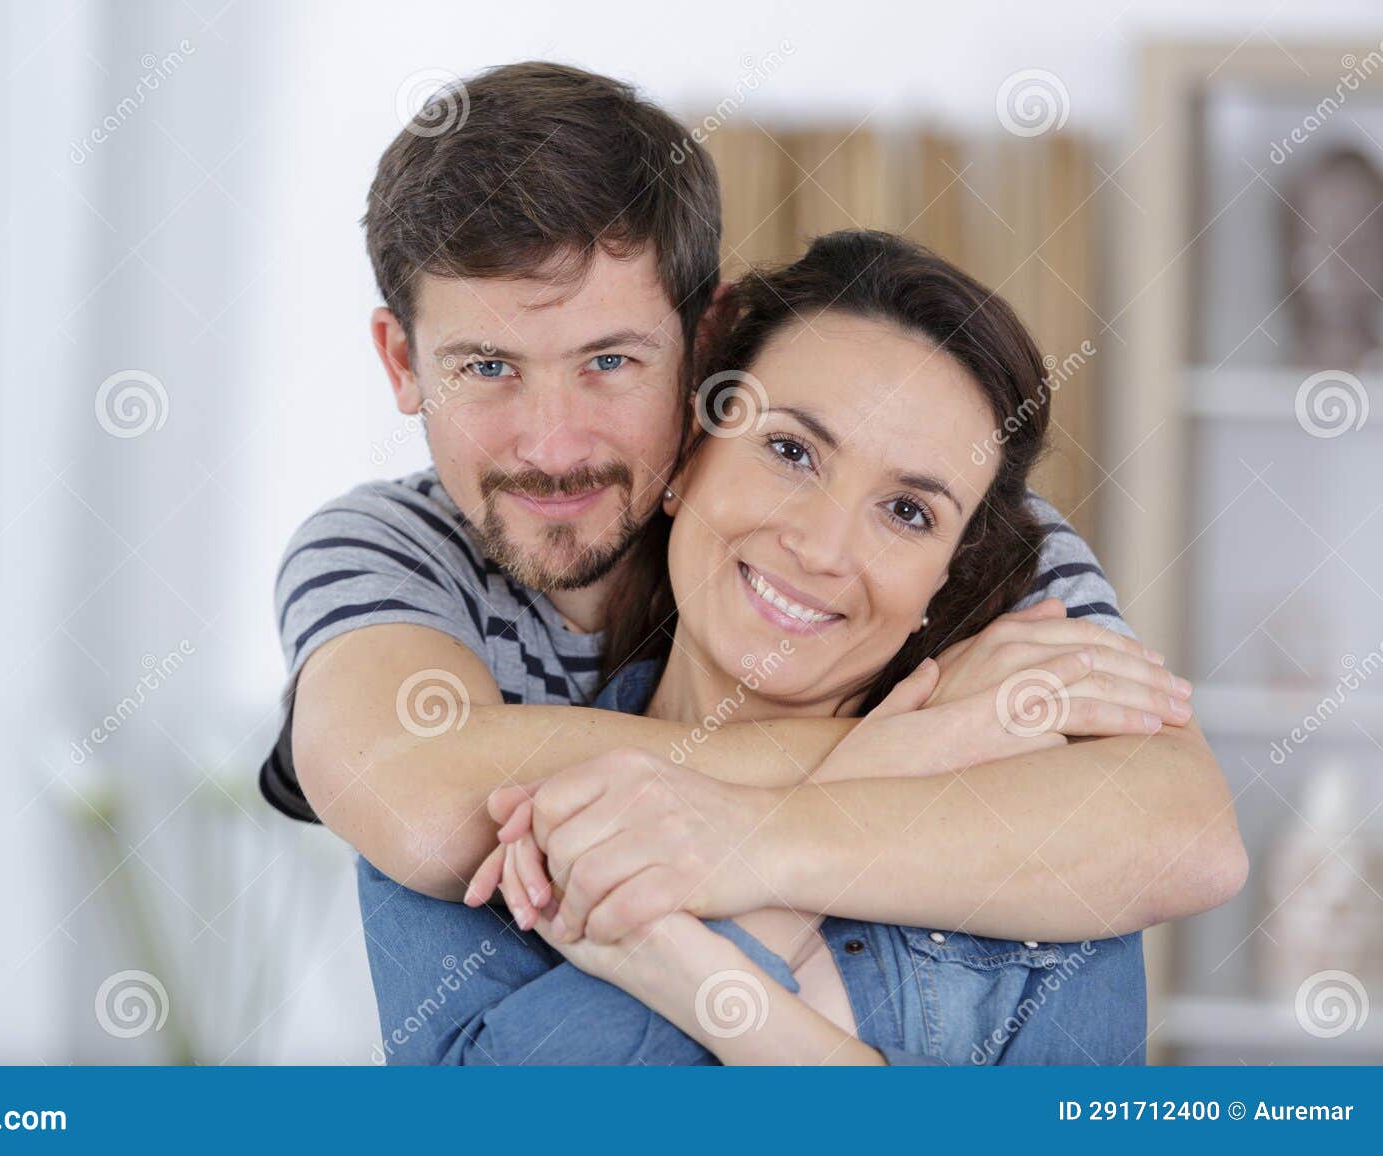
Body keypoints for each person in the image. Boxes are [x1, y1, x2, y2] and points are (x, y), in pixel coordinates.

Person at [263, 62, 1247, 1058]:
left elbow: (1185, 831)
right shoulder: (399, 556)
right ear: (401, 363)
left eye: (608, 360)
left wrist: (741, 845)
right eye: (487, 368)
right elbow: (423, 815)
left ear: (701, 351)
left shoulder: (981, 556)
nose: (553, 446)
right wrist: (921, 744)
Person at [363, 231, 1159, 1064]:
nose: (822, 547)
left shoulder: (1049, 850)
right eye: (790, 451)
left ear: (941, 584)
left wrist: (673, 955)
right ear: (684, 455)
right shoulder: (486, 804)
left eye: (908, 513)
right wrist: (896, 761)